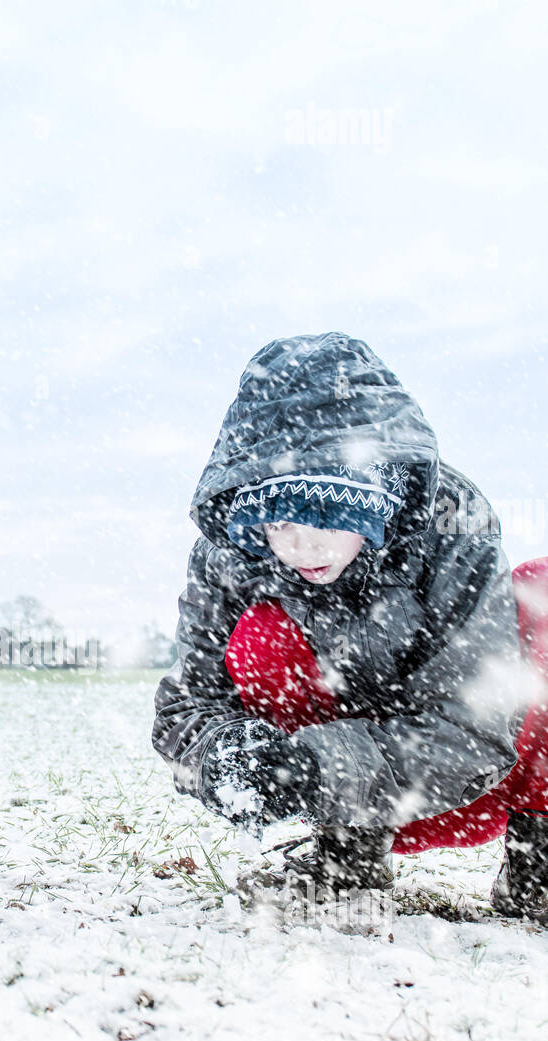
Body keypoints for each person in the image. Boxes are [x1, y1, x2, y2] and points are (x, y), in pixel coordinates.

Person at [153, 331, 548, 918]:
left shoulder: (453, 525)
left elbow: (473, 729)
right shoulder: (230, 556)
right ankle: (348, 859)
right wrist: (236, 759)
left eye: (327, 513)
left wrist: (318, 763)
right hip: (342, 797)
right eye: (277, 521)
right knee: (263, 639)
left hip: (479, 775)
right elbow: (186, 709)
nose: (301, 544)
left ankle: (537, 863)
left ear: (377, 496)